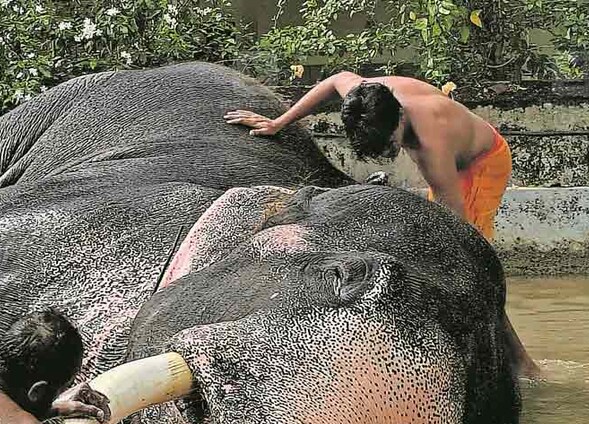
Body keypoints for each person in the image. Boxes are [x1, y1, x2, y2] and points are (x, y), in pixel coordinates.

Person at [224, 71, 540, 379]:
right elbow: (335, 79)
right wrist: (280, 122)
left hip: (481, 162)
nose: (391, 153)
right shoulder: (365, 97)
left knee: (471, 268)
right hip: (449, 162)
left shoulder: (432, 143)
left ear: (400, 118)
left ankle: (521, 364)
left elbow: (454, 224)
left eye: (391, 143)